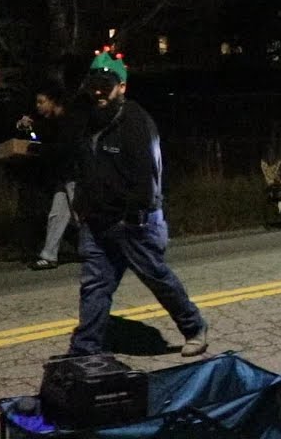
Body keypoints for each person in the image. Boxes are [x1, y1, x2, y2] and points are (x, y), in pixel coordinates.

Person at [67, 51, 208, 358]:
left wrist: (133, 214)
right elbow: (83, 168)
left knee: (156, 277)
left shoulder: (135, 121)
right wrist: (81, 206)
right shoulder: (89, 122)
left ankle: (194, 327)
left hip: (133, 222)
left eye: (107, 84)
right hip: (97, 222)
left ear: (122, 87)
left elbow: (147, 177)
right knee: (94, 286)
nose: (100, 91)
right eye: (95, 84)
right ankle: (85, 348)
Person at [23, 82, 78, 270]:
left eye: (41, 102)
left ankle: (109, 248)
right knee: (57, 214)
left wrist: (39, 148)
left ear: (53, 102)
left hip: (75, 174)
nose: (38, 106)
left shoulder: (69, 119)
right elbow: (45, 136)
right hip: (65, 174)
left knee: (81, 216)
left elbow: (63, 148)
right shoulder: (56, 120)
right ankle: (49, 255)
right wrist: (31, 128)